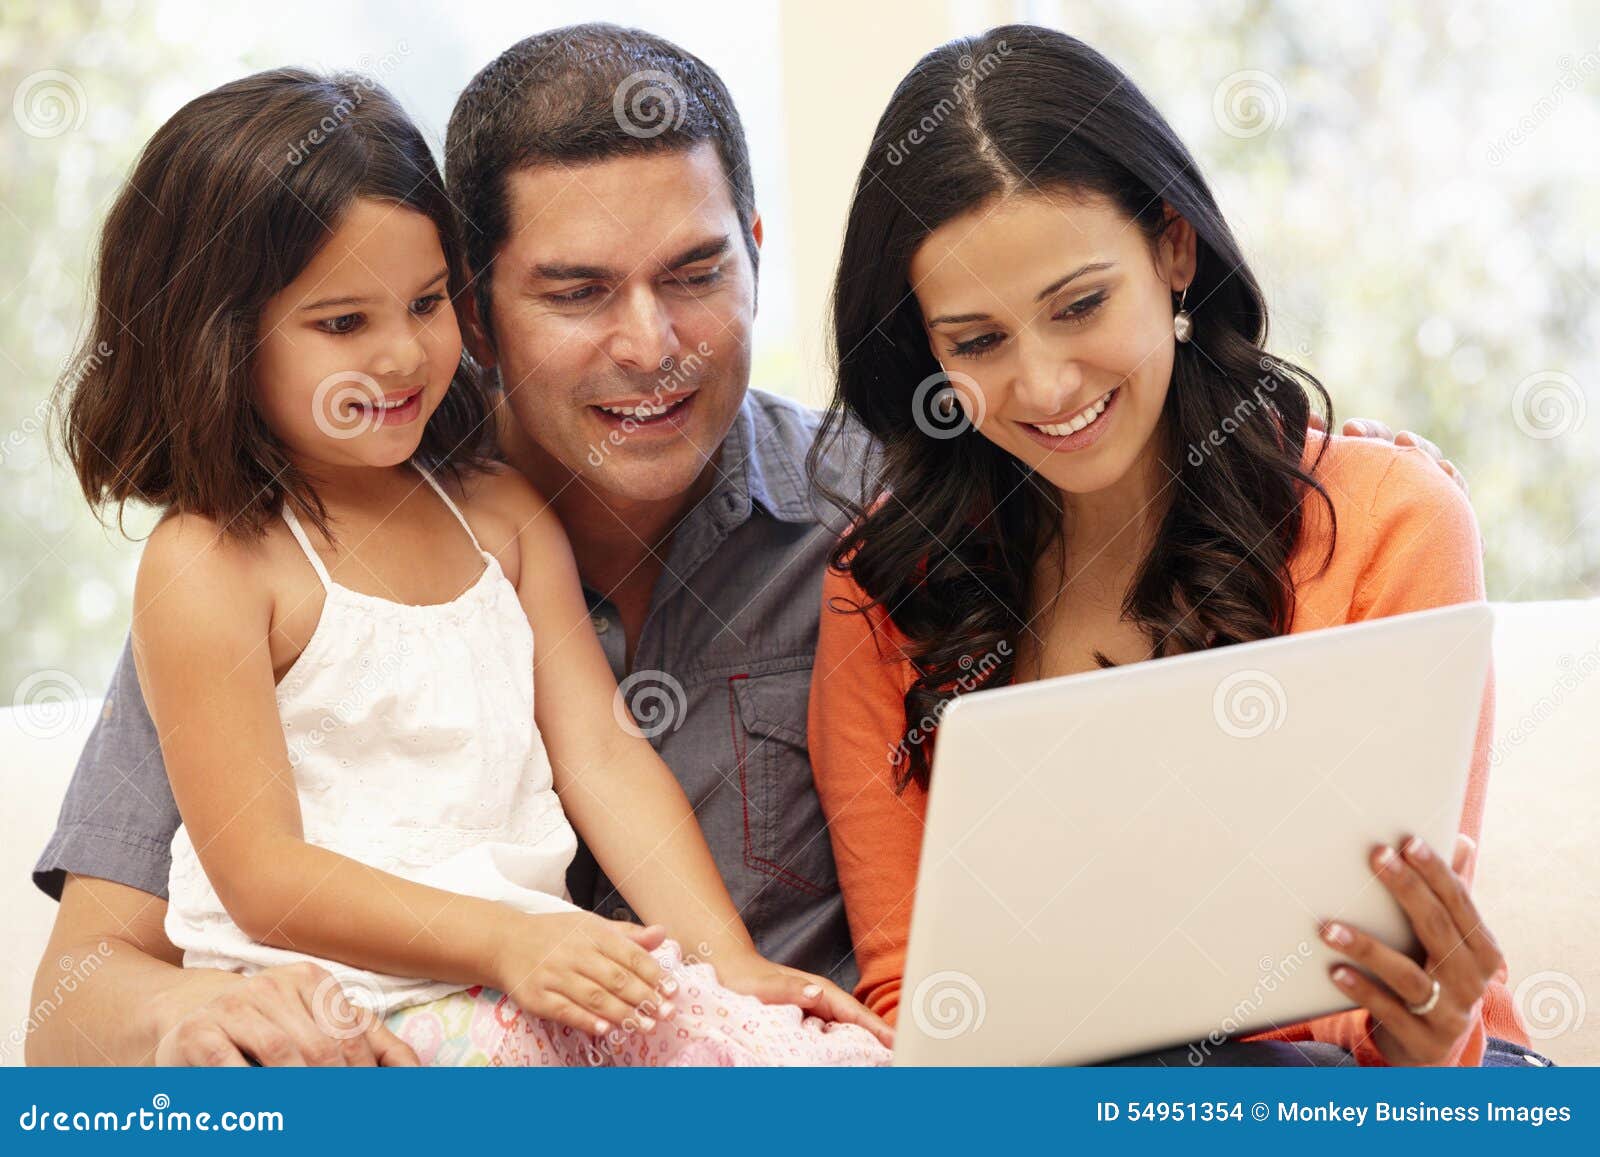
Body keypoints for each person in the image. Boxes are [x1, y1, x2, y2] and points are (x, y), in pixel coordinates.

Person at [27, 22, 1457, 1067]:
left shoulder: (898, 535)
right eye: (577, 290)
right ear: (471, 295)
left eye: (698, 274)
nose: (650, 345)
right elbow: (77, 989)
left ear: (759, 247)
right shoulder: (274, 556)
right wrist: (193, 1012)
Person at [46, 66, 890, 1068]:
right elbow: (223, 899)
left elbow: (604, 753)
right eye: (344, 322)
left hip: (564, 986)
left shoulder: (502, 514)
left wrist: (728, 960)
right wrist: (502, 939)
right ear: (223, 343)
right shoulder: (214, 567)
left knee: (828, 1067)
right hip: (372, 1013)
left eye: (423, 302)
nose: (403, 354)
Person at [807, 26, 1535, 1066]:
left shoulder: (1391, 518)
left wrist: (1413, 1026)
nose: (1048, 385)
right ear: (923, 347)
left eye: (1081, 305)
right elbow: (913, 997)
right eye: (977, 342)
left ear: (1173, 248)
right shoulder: (881, 586)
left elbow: (1402, 957)